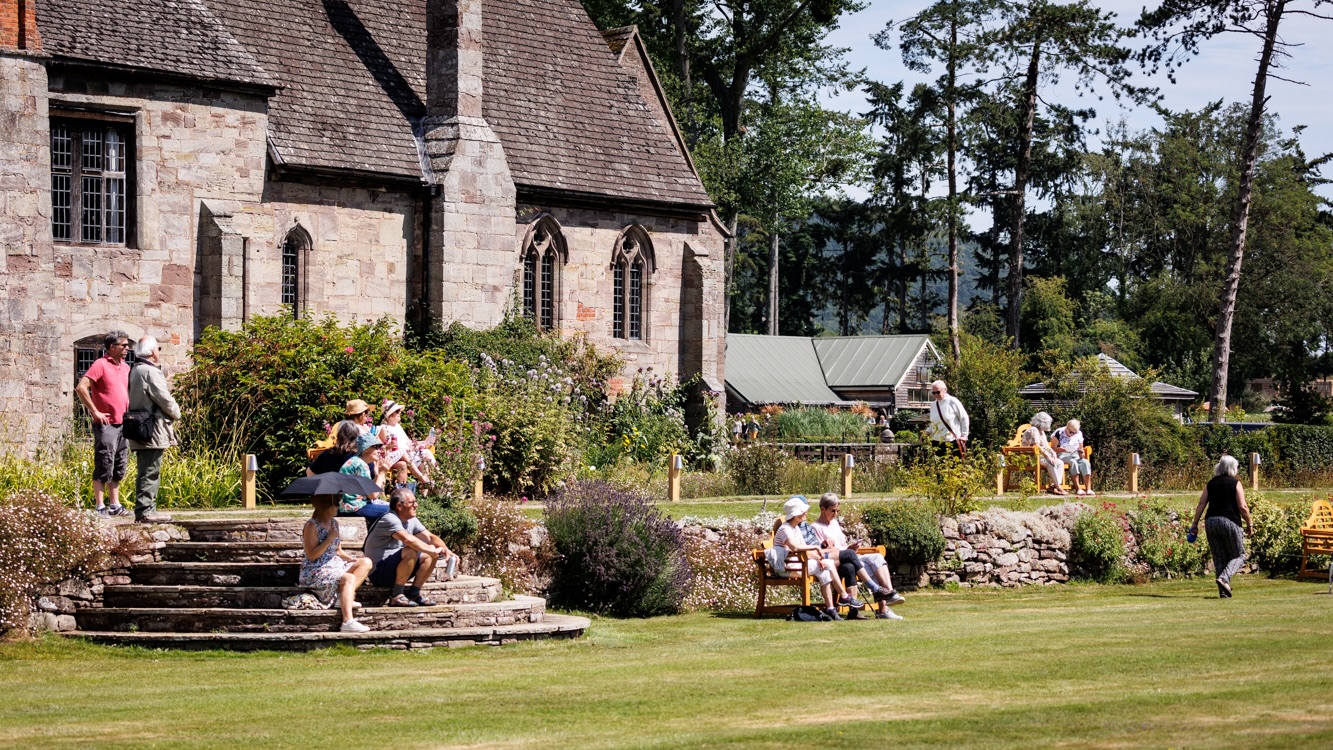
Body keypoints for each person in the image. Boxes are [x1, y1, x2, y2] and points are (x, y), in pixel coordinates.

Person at [810, 493, 905, 620]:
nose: (836, 514)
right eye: (833, 510)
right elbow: (820, 551)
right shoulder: (815, 527)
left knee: (876, 557)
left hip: (847, 555)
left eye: (838, 510)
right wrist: (829, 547)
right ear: (822, 508)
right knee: (850, 565)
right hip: (836, 562)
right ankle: (881, 602)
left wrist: (850, 548)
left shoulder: (834, 524)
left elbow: (842, 546)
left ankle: (889, 593)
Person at [363, 488, 459, 607]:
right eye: (412, 503)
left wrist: (446, 550)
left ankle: (414, 593)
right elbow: (408, 540)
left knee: (428, 555)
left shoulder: (411, 520)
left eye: (415, 501)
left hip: (396, 567)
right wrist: (431, 550)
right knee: (412, 550)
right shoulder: (389, 519)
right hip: (378, 573)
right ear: (399, 505)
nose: (416, 505)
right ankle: (396, 595)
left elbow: (429, 537)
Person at [771, 496, 858, 621]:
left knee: (825, 572)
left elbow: (805, 548)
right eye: (803, 512)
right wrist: (816, 549)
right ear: (795, 515)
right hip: (790, 566)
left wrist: (818, 558)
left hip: (800, 563)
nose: (806, 513)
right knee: (829, 563)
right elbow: (795, 548)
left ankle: (831, 609)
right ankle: (844, 596)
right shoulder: (786, 529)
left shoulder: (795, 528)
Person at [75, 330, 133, 516]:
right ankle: (100, 506)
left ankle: (115, 505)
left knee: (119, 464)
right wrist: (95, 411)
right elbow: (81, 387)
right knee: (104, 462)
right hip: (106, 424)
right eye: (123, 345)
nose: (127, 348)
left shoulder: (125, 366)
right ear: (112, 347)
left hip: (122, 423)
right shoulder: (100, 364)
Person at [301, 494, 374, 632]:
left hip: (335, 564)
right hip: (317, 568)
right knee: (349, 577)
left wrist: (351, 559)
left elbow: (338, 550)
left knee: (366, 562)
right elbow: (311, 556)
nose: (338, 507)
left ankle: (342, 598)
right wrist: (329, 538)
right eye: (336, 504)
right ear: (325, 506)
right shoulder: (312, 526)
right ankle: (348, 621)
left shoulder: (334, 523)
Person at [127, 336, 180, 523]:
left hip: (140, 426)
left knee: (146, 468)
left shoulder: (135, 370)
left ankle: (146, 509)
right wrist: (176, 412)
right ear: (151, 351)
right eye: (157, 348)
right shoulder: (149, 372)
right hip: (152, 427)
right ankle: (146, 511)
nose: (158, 351)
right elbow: (163, 398)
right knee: (150, 470)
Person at [1188, 456, 1253, 598]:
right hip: (1230, 521)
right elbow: (1242, 506)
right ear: (1233, 468)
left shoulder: (1211, 483)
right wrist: (1249, 523)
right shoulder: (1235, 483)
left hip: (1211, 522)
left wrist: (1194, 524)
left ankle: (1223, 591)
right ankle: (1224, 579)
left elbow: (1201, 504)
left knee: (1219, 558)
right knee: (1239, 555)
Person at [377, 400, 435, 486]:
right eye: (397, 411)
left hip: (407, 455)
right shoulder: (383, 428)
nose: (400, 412)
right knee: (403, 453)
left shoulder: (398, 426)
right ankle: (424, 480)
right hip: (393, 456)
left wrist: (425, 441)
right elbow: (388, 447)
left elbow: (410, 444)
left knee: (426, 457)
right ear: (389, 415)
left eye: (399, 410)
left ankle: (435, 482)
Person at [338, 433, 392, 521]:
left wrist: (377, 474)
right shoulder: (361, 465)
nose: (379, 450)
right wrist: (382, 473)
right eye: (375, 447)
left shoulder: (355, 461)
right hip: (356, 508)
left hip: (346, 507)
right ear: (366, 449)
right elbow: (373, 495)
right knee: (397, 511)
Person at [1022, 412, 1066, 496]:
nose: (1049, 425)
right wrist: (1049, 457)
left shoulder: (1042, 432)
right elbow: (1037, 446)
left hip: (1040, 455)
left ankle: (1054, 486)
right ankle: (1058, 487)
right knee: (1051, 463)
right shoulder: (1033, 430)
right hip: (1031, 455)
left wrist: (1053, 453)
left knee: (1060, 462)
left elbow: (1046, 446)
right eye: (1048, 423)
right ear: (1043, 423)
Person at [925, 380, 969, 457]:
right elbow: (934, 423)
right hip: (936, 442)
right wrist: (927, 432)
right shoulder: (933, 405)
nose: (936, 395)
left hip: (952, 441)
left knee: (954, 466)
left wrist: (964, 435)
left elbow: (964, 418)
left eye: (938, 392)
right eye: (933, 393)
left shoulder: (953, 401)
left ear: (945, 390)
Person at [1052, 419, 1094, 496]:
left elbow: (1081, 448)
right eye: (1071, 432)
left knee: (1085, 463)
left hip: (1075, 454)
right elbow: (1053, 448)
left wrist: (1081, 453)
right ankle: (1078, 489)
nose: (1072, 434)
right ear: (1067, 427)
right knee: (1073, 462)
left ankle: (1088, 489)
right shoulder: (1059, 432)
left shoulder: (1079, 434)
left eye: (1075, 433)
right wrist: (1059, 449)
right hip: (1062, 454)